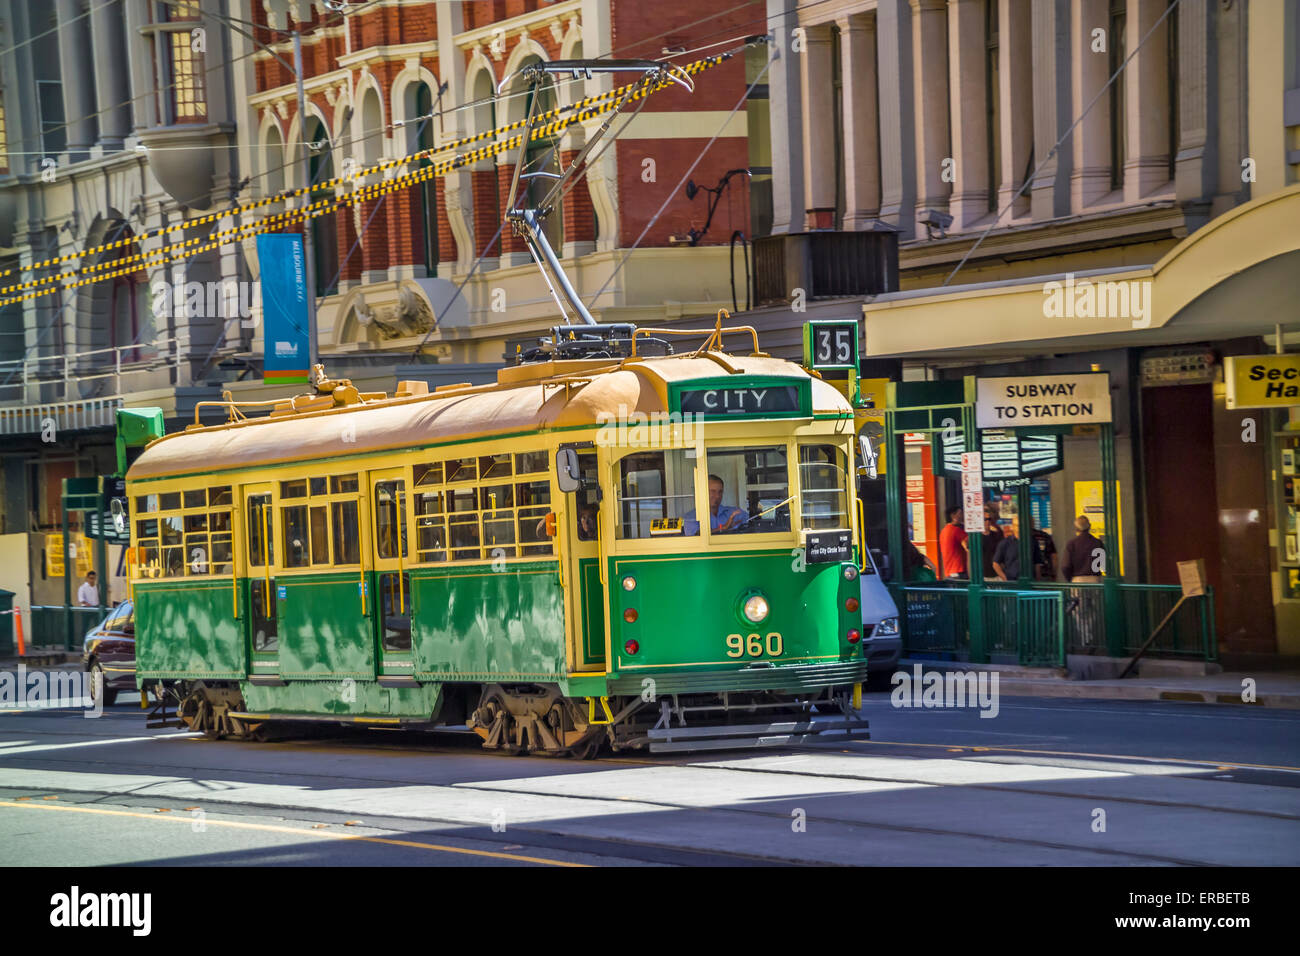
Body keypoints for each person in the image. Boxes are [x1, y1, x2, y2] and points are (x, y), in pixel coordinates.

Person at [684, 475, 749, 535]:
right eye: (712, 491)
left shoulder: (733, 512)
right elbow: (697, 537)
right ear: (702, 492)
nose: (717, 496)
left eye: (720, 492)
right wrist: (724, 528)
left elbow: (753, 521)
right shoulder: (691, 517)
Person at [1062, 515, 1105, 582]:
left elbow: (1065, 566)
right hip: (1094, 579)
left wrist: (1070, 579)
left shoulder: (1072, 544)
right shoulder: (1097, 543)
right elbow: (1103, 564)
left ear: (1076, 528)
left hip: (1077, 579)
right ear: (1090, 526)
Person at [938, 506, 968, 579]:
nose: (962, 516)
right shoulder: (957, 531)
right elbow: (967, 546)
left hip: (949, 571)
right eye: (960, 513)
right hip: (959, 569)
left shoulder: (943, 531)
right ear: (953, 516)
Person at [992, 515, 1024, 581]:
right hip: (1012, 580)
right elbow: (995, 564)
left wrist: (1038, 580)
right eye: (1017, 525)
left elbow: (1037, 564)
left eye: (1021, 525)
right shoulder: (1005, 543)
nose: (1019, 528)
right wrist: (1005, 579)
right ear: (1012, 527)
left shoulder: (1031, 541)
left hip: (1029, 581)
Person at [981, 505, 1004, 580]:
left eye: (989, 519)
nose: (987, 521)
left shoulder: (996, 533)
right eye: (985, 519)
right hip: (983, 574)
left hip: (996, 573)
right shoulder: (976, 536)